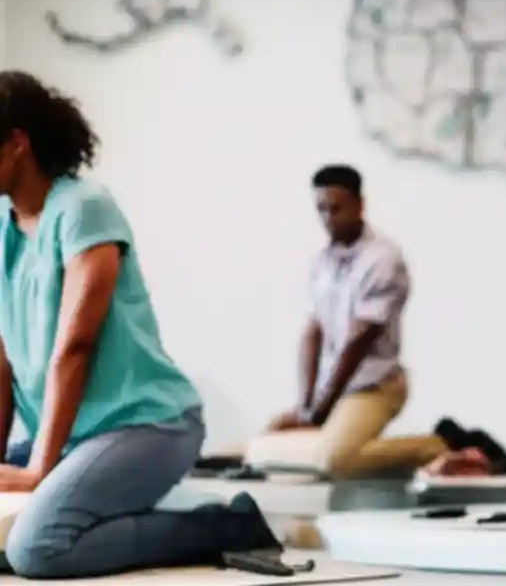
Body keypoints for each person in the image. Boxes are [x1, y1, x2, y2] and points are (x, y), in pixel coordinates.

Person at [0, 71, 281, 578]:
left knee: (37, 550)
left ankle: (227, 526)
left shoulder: (83, 208)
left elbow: (75, 346)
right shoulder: (3, 225)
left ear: (16, 143)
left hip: (145, 426)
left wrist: (39, 471)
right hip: (68, 436)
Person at [265, 164, 448, 477]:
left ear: (359, 205)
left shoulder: (382, 260)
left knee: (338, 460)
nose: (327, 218)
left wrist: (322, 408)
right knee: (272, 439)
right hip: (334, 388)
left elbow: (358, 341)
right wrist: (305, 405)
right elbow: (314, 331)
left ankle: (434, 447)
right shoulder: (323, 262)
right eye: (321, 209)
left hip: (374, 384)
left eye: (336, 209)